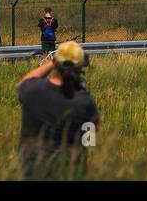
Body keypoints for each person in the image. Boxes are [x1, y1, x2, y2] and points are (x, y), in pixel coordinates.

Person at [17, 40, 99, 178]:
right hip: (69, 172)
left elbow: (24, 82)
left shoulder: (33, 91)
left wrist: (52, 62)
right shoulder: (84, 102)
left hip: (34, 171)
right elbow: (89, 140)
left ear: (56, 64)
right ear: (79, 69)